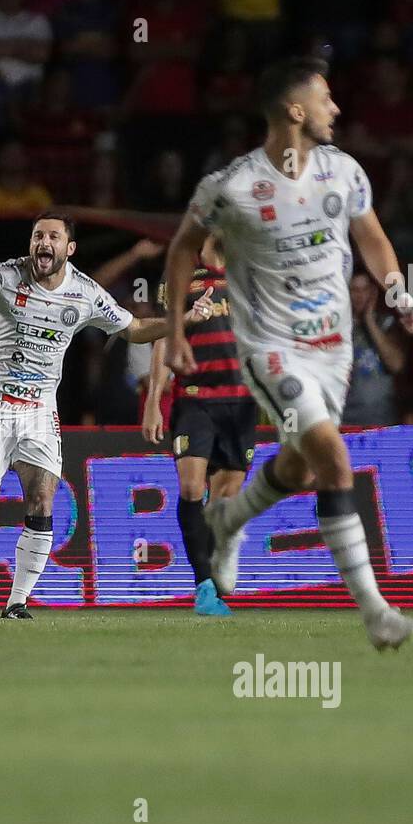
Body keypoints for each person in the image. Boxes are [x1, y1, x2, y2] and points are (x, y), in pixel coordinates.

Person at [163, 57, 413, 650]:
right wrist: (177, 329)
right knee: (335, 462)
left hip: (332, 352)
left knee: (301, 467)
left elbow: (375, 241)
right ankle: (377, 614)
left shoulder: (344, 173)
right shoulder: (230, 187)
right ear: (295, 109)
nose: (336, 109)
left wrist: (399, 291)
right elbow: (182, 250)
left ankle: (228, 522)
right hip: (270, 350)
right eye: (326, 99)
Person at [0, 205, 206, 619]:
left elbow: (132, 329)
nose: (43, 243)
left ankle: (16, 602)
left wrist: (180, 320)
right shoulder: (4, 277)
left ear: (70, 248)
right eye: (38, 236)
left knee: (42, 499)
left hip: (40, 410)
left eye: (53, 237)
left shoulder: (85, 293)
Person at [144, 232, 256, 617]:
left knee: (225, 501)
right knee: (192, 487)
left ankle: (222, 554)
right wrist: (154, 401)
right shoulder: (180, 270)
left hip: (240, 401)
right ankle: (204, 586)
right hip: (194, 397)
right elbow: (161, 339)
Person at [344, 268, 407, 427]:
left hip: (382, 419)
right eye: (354, 290)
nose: (360, 296)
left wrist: (369, 321)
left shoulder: (387, 323)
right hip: (346, 420)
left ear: (373, 292)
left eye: (364, 290)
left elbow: (396, 364)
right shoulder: (338, 327)